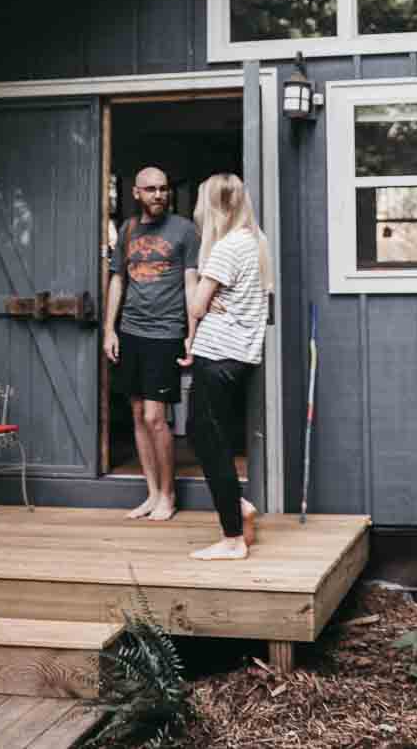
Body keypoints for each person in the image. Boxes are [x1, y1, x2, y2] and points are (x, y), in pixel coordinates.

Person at [103, 165, 200, 521]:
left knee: (156, 416)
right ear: (137, 193)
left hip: (167, 332)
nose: (159, 195)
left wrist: (192, 332)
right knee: (137, 415)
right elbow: (117, 281)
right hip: (131, 331)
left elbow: (192, 283)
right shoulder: (127, 230)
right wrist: (110, 330)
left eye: (163, 188)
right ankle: (152, 492)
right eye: (151, 189)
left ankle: (169, 496)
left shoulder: (185, 230)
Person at [182, 174, 271, 560]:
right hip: (241, 355)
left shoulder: (225, 248)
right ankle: (240, 508)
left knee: (208, 440)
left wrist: (202, 290)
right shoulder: (256, 242)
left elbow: (197, 306)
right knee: (210, 436)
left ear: (214, 207)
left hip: (217, 354)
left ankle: (233, 537)